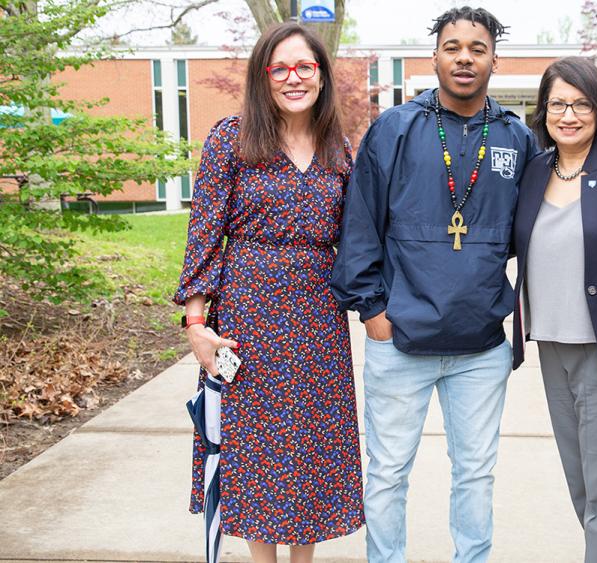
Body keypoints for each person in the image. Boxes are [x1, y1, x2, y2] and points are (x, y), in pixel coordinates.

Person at [330, 7, 536, 563]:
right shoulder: (395, 128)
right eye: (453, 47)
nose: (464, 58)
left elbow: (531, 230)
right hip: (399, 338)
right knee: (388, 473)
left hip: (481, 347)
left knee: (476, 474)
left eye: (477, 48)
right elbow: (360, 224)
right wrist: (373, 311)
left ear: (494, 60)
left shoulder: (516, 137)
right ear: (435, 57)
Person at [174, 22, 363, 563]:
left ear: (322, 76)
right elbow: (204, 234)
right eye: (279, 68)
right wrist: (196, 325)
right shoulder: (231, 139)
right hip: (249, 314)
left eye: (304, 66)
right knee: (255, 448)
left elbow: (359, 236)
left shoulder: (339, 149)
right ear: (263, 77)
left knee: (310, 447)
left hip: (317, 317)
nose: (292, 78)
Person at [511, 57, 597, 563]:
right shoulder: (534, 171)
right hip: (550, 344)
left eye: (581, 104)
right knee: (583, 487)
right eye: (558, 104)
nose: (568, 115)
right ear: (543, 111)